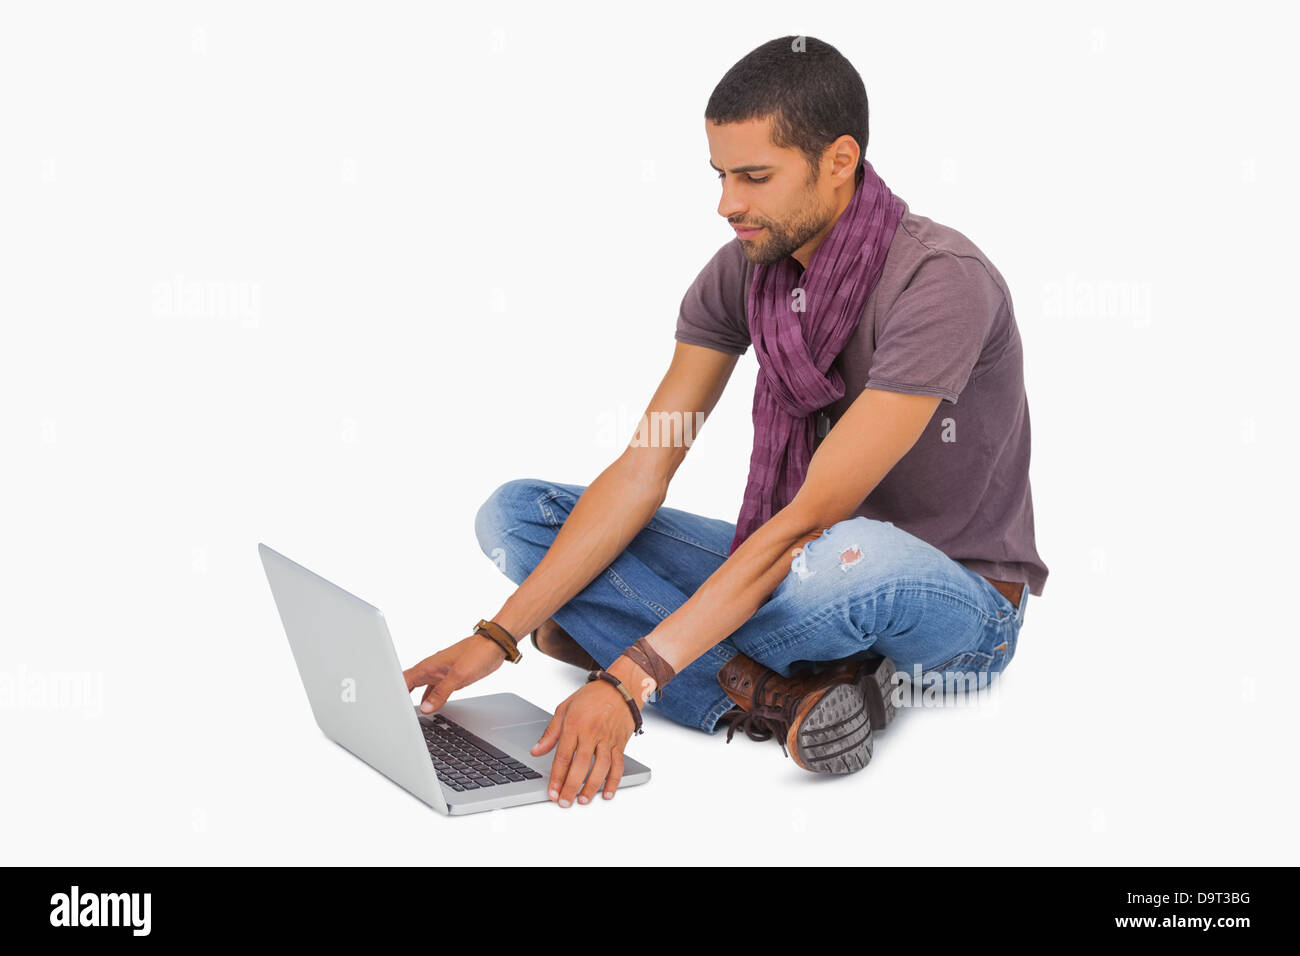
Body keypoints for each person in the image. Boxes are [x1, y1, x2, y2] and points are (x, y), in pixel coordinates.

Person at [404, 35, 1048, 808]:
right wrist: (498, 638)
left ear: (839, 160)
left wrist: (629, 674)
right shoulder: (742, 273)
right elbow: (649, 463)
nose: (727, 203)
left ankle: (634, 638)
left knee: (850, 556)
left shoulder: (941, 282)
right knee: (517, 516)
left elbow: (814, 515)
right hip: (789, 559)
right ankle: (779, 692)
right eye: (720, 175)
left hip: (947, 601)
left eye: (754, 176)